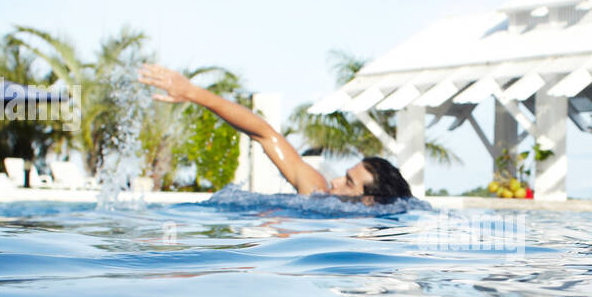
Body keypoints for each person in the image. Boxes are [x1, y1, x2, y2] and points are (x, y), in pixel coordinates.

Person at [137, 63, 412, 202]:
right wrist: (193, 93)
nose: (337, 181)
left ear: (368, 203)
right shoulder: (317, 190)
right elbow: (265, 134)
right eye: (346, 175)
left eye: (349, 183)